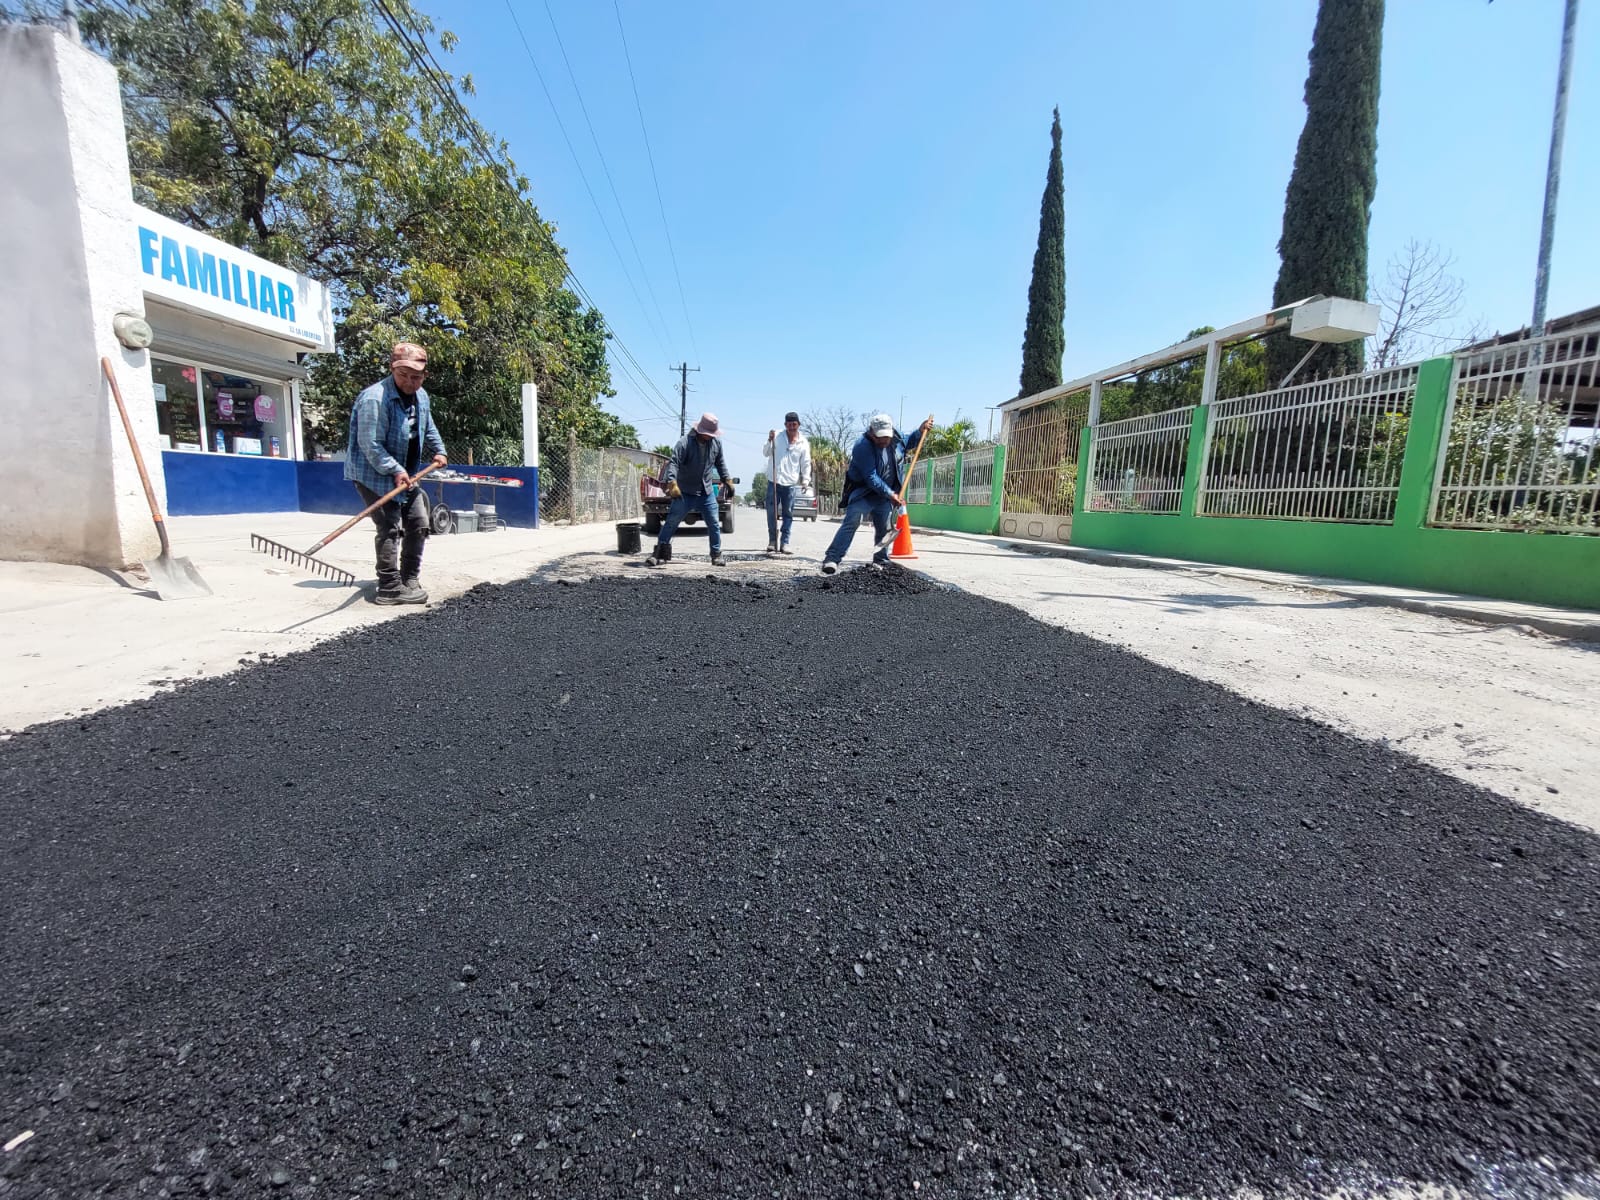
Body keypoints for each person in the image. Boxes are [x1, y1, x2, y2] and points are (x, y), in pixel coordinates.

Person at [344, 341, 447, 605]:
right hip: (373, 474)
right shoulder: (374, 398)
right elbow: (370, 444)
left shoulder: (421, 396)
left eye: (416, 377)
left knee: (419, 523)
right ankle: (389, 588)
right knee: (389, 526)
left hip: (408, 474)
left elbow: (428, 427)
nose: (409, 382)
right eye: (403, 375)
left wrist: (440, 450)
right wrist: (394, 470)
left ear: (424, 375)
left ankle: (409, 578)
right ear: (393, 369)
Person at [820, 412, 933, 575]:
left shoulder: (896, 438)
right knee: (852, 521)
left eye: (886, 437)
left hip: (884, 496)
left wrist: (920, 432)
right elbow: (871, 477)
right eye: (880, 437)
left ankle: (881, 561)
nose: (884, 440)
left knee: (885, 527)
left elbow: (908, 443)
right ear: (871, 433)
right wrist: (891, 494)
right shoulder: (862, 446)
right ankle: (832, 558)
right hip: (863, 492)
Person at [647, 412, 736, 568]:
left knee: (714, 523)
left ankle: (716, 555)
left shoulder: (716, 444)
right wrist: (672, 483)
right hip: (685, 492)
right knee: (671, 522)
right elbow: (674, 463)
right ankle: (659, 553)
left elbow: (720, 463)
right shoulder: (685, 443)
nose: (710, 437)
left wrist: (727, 479)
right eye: (708, 434)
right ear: (700, 431)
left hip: (705, 492)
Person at [763, 411, 812, 554]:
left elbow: (806, 462)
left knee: (788, 513)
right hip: (774, 480)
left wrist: (806, 480)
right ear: (785, 425)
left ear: (798, 425)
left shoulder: (803, 442)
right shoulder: (777, 436)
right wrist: (769, 440)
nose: (792, 427)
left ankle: (785, 542)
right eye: (789, 425)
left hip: (790, 483)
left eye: (794, 425)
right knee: (772, 512)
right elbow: (766, 453)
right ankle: (772, 540)